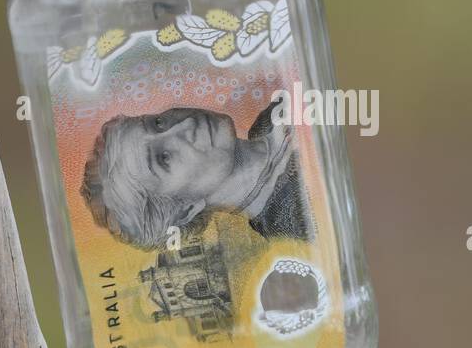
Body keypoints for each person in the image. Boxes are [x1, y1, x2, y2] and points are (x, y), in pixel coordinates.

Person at [81, 103, 312, 250]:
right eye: (164, 158)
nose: (185, 125)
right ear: (187, 209)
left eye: (158, 123)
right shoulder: (299, 223)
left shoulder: (272, 117)